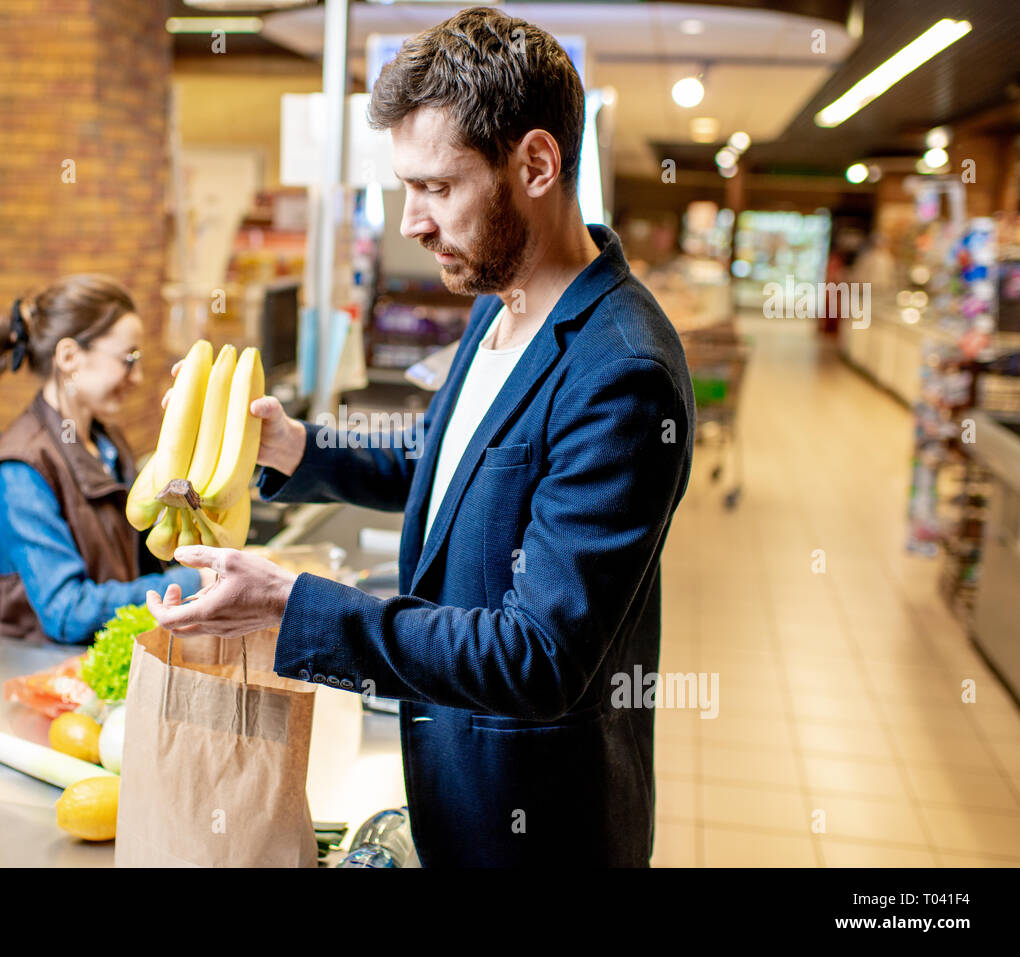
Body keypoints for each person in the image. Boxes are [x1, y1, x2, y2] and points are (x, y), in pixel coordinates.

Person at [149, 7, 695, 866]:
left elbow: (539, 655)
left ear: (538, 164)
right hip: (449, 784)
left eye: (436, 187)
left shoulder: (622, 373)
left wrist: (298, 606)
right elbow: (444, 463)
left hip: (536, 826)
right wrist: (296, 449)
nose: (411, 221)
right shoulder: (501, 304)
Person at [0, 274, 204, 643]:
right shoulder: (21, 470)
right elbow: (68, 612)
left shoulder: (106, 442)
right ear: (69, 357)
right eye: (128, 359)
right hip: (30, 679)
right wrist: (191, 580)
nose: (136, 377)